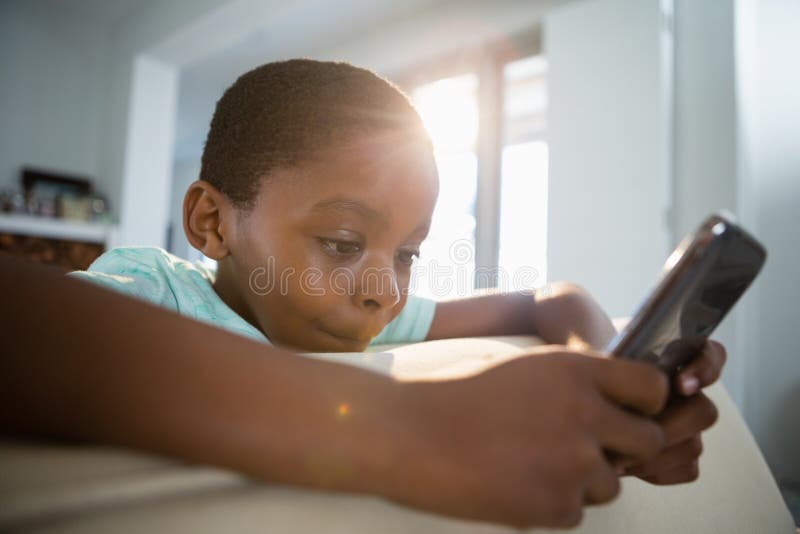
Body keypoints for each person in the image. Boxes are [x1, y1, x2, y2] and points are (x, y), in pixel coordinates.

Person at [0, 59, 724, 529]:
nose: (384, 289)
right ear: (212, 222)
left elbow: (546, 302)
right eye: (344, 244)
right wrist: (421, 427)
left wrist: (602, 375)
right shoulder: (153, 291)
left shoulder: (375, 316)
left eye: (409, 253)